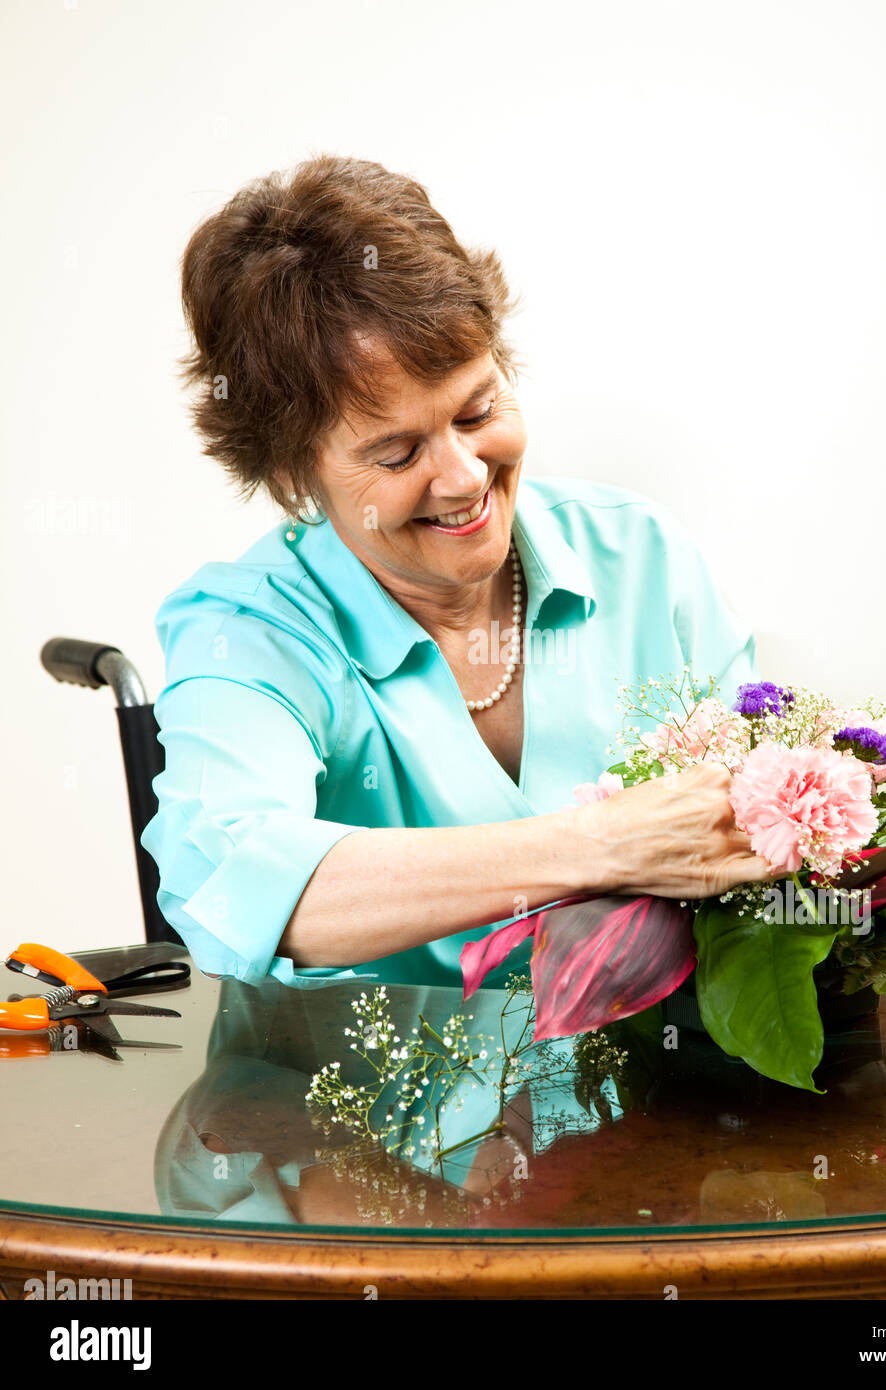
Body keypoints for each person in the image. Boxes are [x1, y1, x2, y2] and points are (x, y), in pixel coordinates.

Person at [141, 153, 778, 991]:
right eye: (398, 451)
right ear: (295, 474)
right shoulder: (249, 631)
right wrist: (598, 845)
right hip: (363, 1112)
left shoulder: (640, 558)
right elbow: (230, 889)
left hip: (655, 1103)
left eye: (478, 410)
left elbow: (766, 821)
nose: (466, 476)